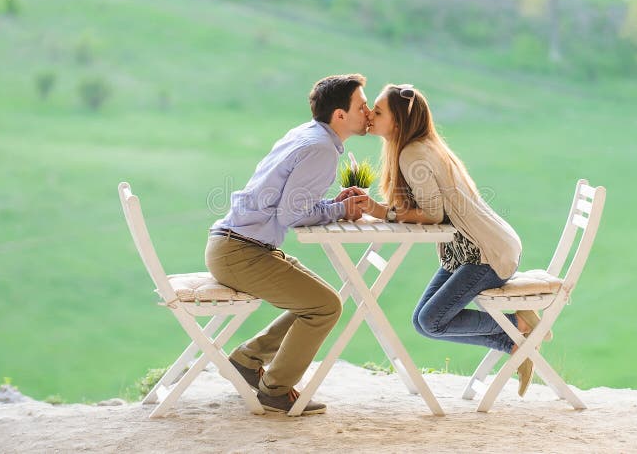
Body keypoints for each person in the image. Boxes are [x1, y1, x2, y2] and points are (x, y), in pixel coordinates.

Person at [362, 83, 549, 397]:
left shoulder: (413, 154)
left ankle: (517, 323)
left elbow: (433, 215)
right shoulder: (420, 146)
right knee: (423, 323)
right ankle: (514, 340)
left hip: (487, 254)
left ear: (397, 123)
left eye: (378, 111)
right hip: (469, 252)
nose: (369, 115)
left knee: (432, 321)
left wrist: (382, 213)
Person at [205, 74, 370, 415]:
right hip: (241, 253)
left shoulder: (308, 136)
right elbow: (293, 214)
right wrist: (340, 209)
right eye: (362, 105)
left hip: (238, 245)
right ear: (339, 115)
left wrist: (335, 207)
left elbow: (291, 205)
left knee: (320, 300)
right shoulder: (321, 149)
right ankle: (275, 390)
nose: (368, 111)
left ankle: (248, 362)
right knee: (325, 306)